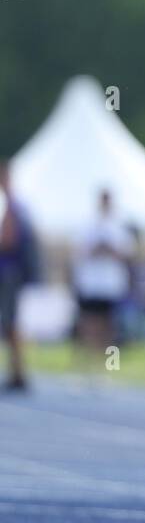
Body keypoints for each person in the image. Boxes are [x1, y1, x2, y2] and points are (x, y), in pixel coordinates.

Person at [72, 189, 135, 364]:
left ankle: (110, 363)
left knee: (109, 325)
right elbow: (79, 250)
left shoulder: (119, 224)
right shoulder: (88, 223)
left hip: (110, 284)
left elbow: (127, 252)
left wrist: (110, 250)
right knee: (88, 323)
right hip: (91, 283)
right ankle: (87, 362)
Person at [0, 159, 39, 392]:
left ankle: (19, 371)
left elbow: (8, 240)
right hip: (11, 273)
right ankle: (17, 370)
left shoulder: (11, 206)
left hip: (8, 273)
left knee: (11, 322)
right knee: (10, 322)